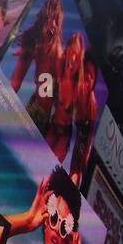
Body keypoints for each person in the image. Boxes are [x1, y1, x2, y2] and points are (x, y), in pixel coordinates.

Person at [11, 0, 64, 134]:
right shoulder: (34, 41)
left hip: (44, 115)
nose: (52, 26)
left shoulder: (57, 48)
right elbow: (16, 82)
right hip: (36, 111)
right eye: (49, 19)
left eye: (55, 20)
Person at [47, 32, 83, 163]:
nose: (72, 58)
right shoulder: (58, 68)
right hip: (52, 124)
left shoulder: (79, 85)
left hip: (65, 133)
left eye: (76, 55)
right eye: (71, 52)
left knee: (51, 166)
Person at [69, 52, 99, 187]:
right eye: (86, 72)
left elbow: (91, 133)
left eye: (91, 76)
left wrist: (86, 156)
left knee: (74, 173)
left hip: (80, 140)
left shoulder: (92, 102)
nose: (88, 77)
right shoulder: (70, 87)